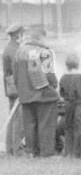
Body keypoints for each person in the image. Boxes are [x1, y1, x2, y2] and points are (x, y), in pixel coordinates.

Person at [14, 25, 59, 156]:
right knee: (46, 124)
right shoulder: (44, 52)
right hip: (44, 95)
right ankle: (46, 152)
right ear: (40, 37)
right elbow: (50, 74)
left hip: (25, 95)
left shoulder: (19, 52)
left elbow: (16, 75)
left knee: (30, 125)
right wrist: (54, 86)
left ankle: (31, 151)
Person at [3, 23, 23, 155]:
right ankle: (16, 149)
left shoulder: (8, 48)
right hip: (17, 87)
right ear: (18, 35)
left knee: (12, 118)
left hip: (10, 87)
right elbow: (18, 71)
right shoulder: (16, 50)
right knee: (17, 119)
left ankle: (10, 147)